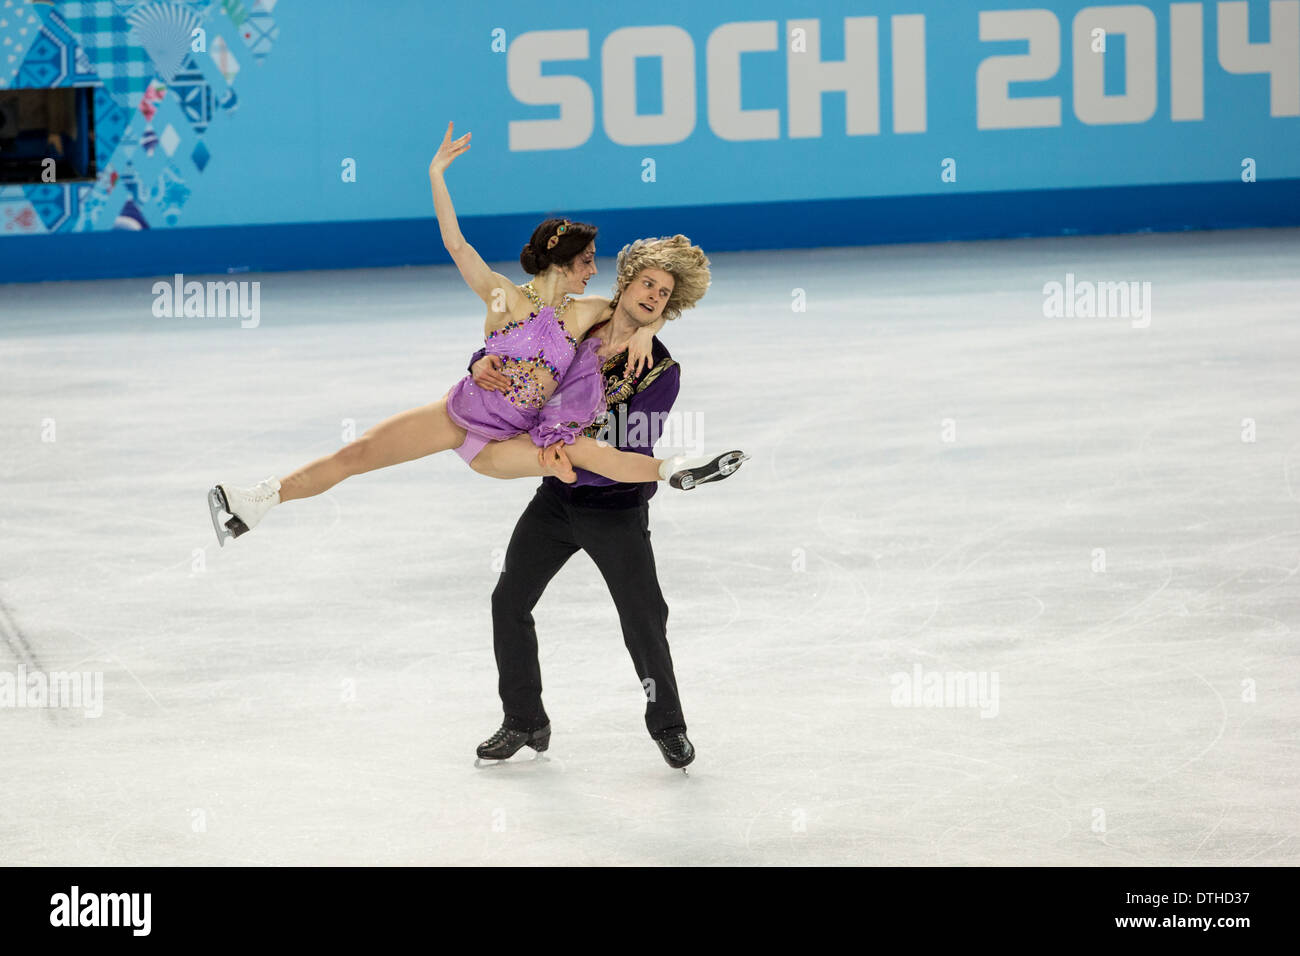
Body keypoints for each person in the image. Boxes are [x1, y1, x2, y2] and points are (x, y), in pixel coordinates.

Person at [206, 123, 746, 546]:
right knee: (358, 454)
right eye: (585, 261)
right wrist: (437, 175)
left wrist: (650, 334)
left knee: (583, 452)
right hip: (458, 418)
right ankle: (259, 501)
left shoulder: (585, 313)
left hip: (509, 444)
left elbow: (642, 308)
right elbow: (456, 245)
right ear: (562, 261)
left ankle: (674, 470)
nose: (592, 270)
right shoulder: (503, 299)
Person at [472, 235, 714, 771]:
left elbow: (631, 445)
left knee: (643, 619)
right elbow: (521, 346)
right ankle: (524, 720)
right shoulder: (575, 327)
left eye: (663, 292)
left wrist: (565, 425)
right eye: (647, 283)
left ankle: (668, 725)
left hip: (616, 511)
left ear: (668, 306)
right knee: (508, 602)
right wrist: (481, 364)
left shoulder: (660, 372)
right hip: (555, 501)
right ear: (625, 284)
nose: (652, 295)